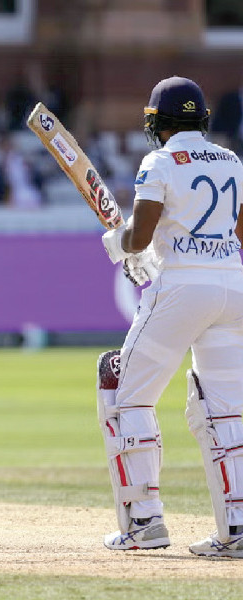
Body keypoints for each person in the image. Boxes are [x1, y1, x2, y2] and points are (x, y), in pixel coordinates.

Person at [98, 76, 243, 558]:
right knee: (226, 410)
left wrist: (119, 246)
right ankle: (238, 528)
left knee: (126, 394)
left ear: (155, 123)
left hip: (182, 290)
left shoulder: (159, 160)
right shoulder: (231, 160)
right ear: (202, 120)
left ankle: (143, 523)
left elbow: (138, 237)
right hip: (234, 287)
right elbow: (235, 233)